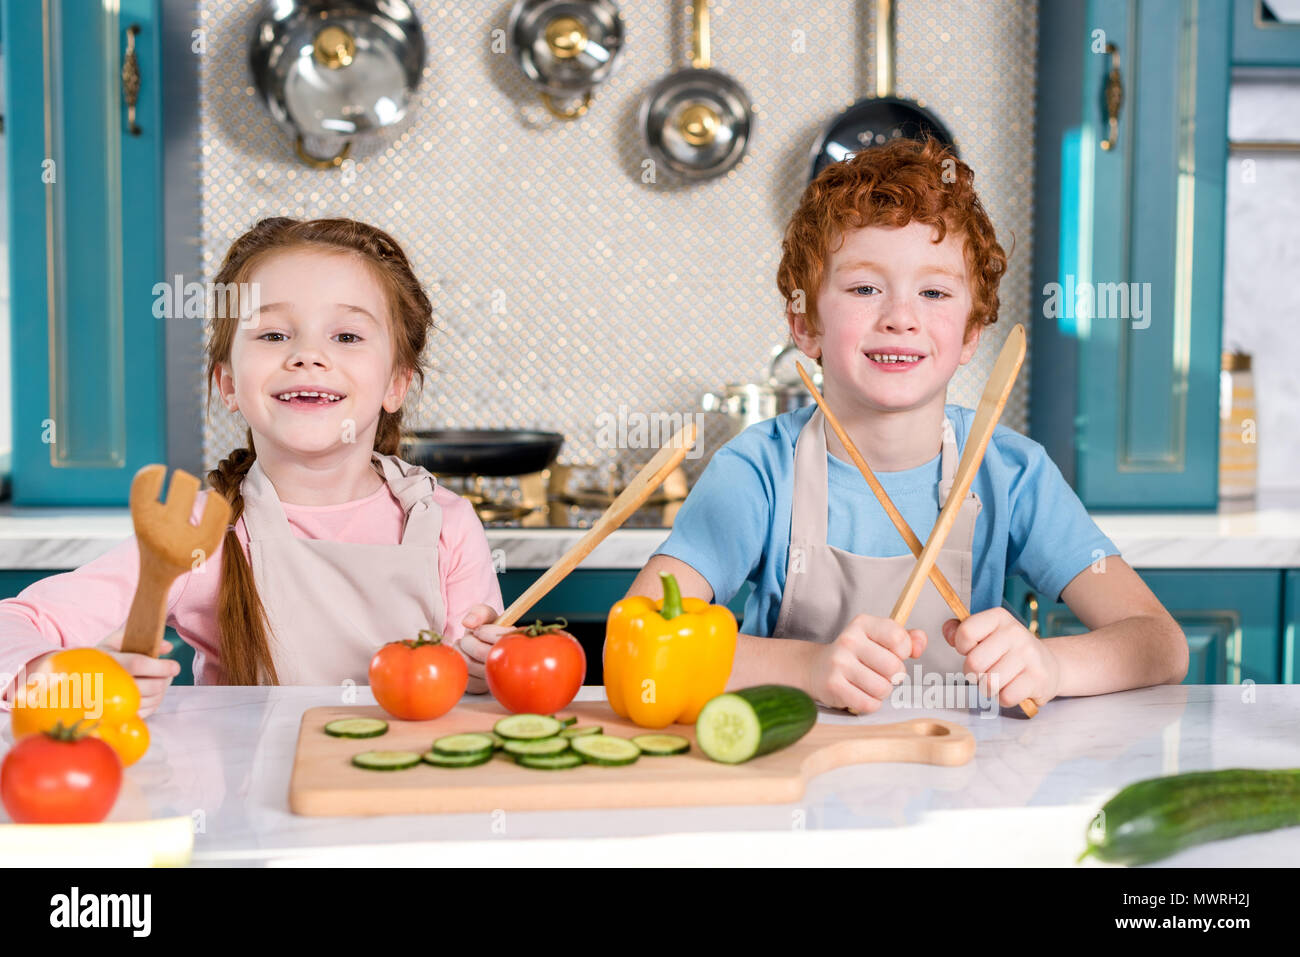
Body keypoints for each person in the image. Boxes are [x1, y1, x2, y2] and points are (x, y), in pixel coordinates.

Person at [619, 136, 1188, 715]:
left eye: (935, 291)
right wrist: (807, 666)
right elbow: (642, 645)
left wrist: (1052, 664)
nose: (900, 318)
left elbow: (1159, 643)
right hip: (796, 780)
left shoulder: (1009, 471)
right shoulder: (758, 471)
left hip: (958, 781)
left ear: (971, 333)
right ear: (805, 323)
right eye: (865, 289)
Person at [0, 218, 502, 716]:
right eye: (273, 335)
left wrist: (482, 669)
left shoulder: (444, 522)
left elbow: (474, 693)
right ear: (229, 383)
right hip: (242, 796)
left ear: (396, 382)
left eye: (347, 337)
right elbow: (15, 624)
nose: (308, 355)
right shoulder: (199, 531)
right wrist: (58, 679)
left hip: (399, 792)